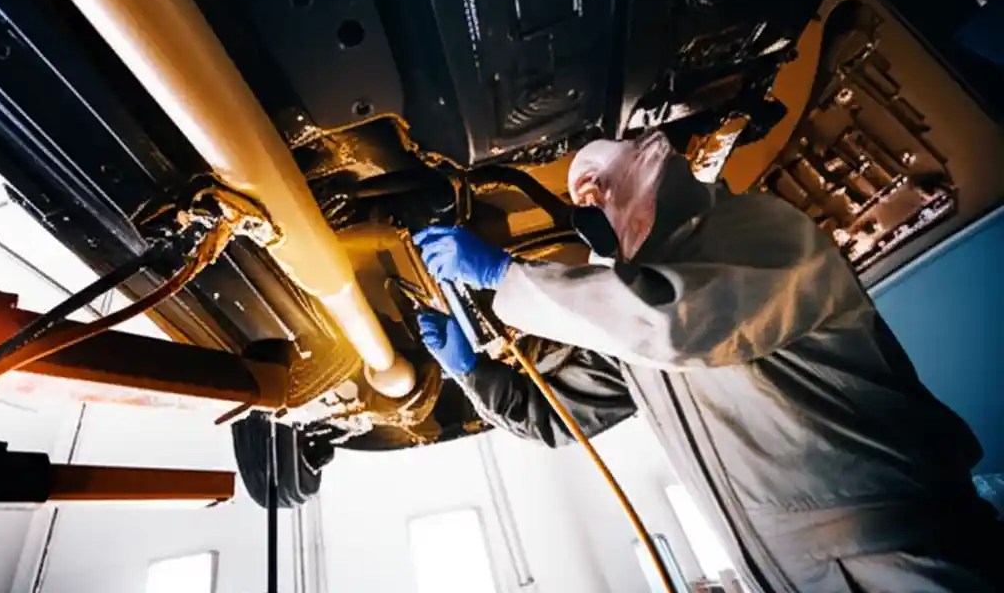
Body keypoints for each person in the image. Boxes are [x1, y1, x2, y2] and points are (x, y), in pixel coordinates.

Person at [413, 132, 1003, 592]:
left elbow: (674, 324)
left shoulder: (759, 229)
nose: (587, 199)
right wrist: (472, 372)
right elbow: (551, 418)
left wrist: (506, 277)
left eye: (594, 180)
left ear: (652, 163)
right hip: (794, 575)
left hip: (911, 552)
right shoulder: (637, 323)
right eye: (579, 196)